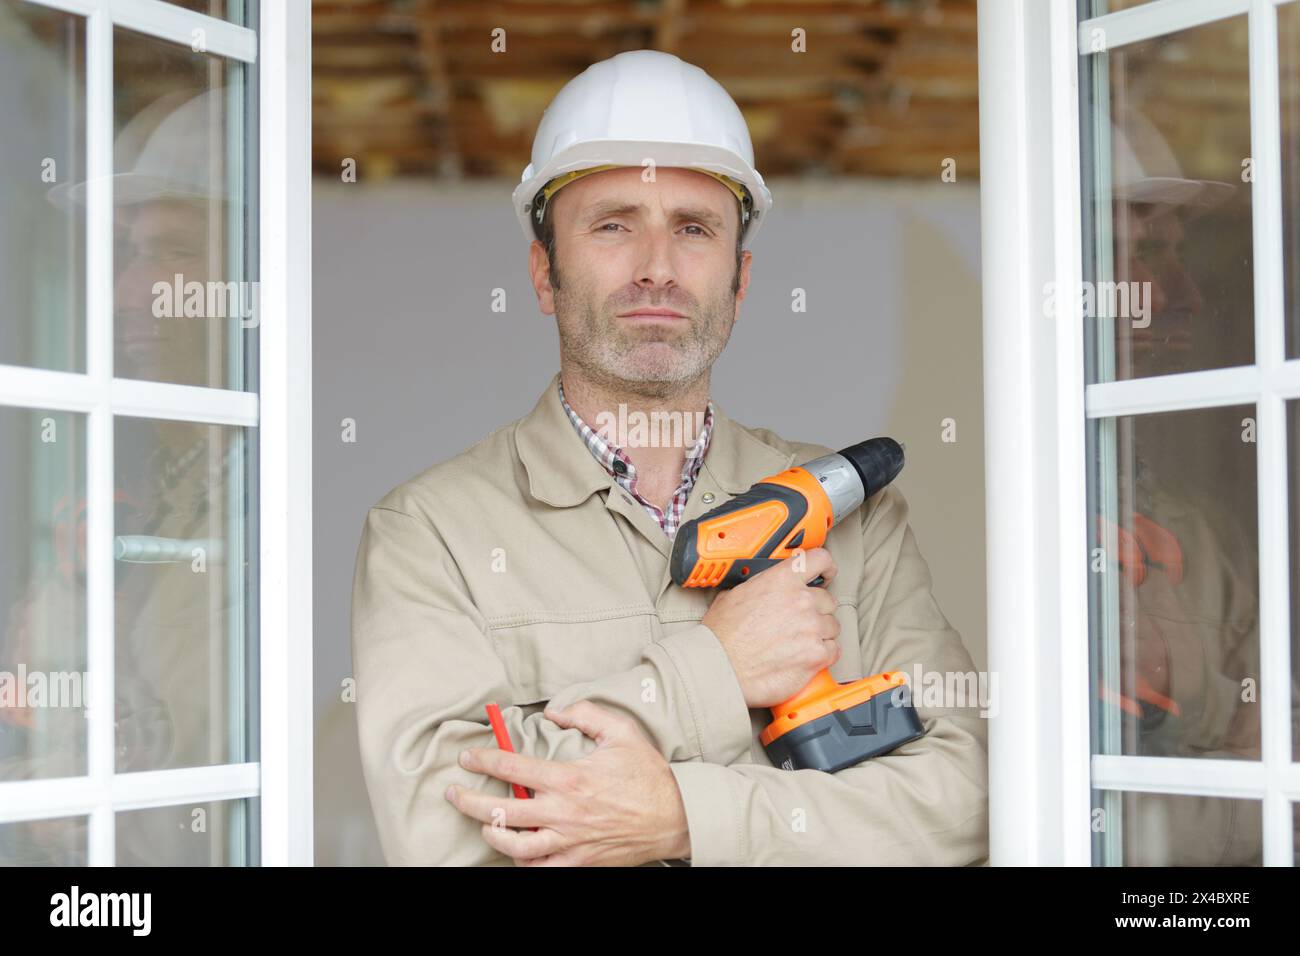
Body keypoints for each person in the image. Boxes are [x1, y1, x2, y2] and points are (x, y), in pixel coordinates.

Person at [350, 50, 988, 866]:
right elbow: (445, 839)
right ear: (545, 271)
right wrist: (714, 669)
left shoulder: (858, 523)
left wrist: (686, 818)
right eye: (614, 224)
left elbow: (968, 801)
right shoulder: (429, 534)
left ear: (741, 278)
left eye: (694, 228)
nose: (657, 267)